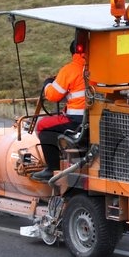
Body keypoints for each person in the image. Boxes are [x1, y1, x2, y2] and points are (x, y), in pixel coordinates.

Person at [31, 40, 87, 181]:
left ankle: (52, 168)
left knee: (43, 126)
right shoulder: (101, 67)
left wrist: (47, 84)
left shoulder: (70, 69)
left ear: (73, 52)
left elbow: (53, 95)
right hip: (96, 119)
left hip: (76, 121)